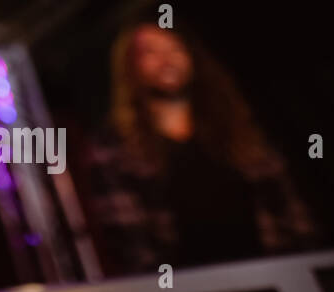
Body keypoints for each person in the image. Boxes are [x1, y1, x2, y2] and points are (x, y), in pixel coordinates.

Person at [83, 22, 319, 277]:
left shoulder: (238, 131)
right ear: (130, 69)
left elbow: (291, 212)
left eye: (175, 49)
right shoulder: (114, 150)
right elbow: (131, 246)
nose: (167, 60)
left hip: (273, 280)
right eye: (151, 52)